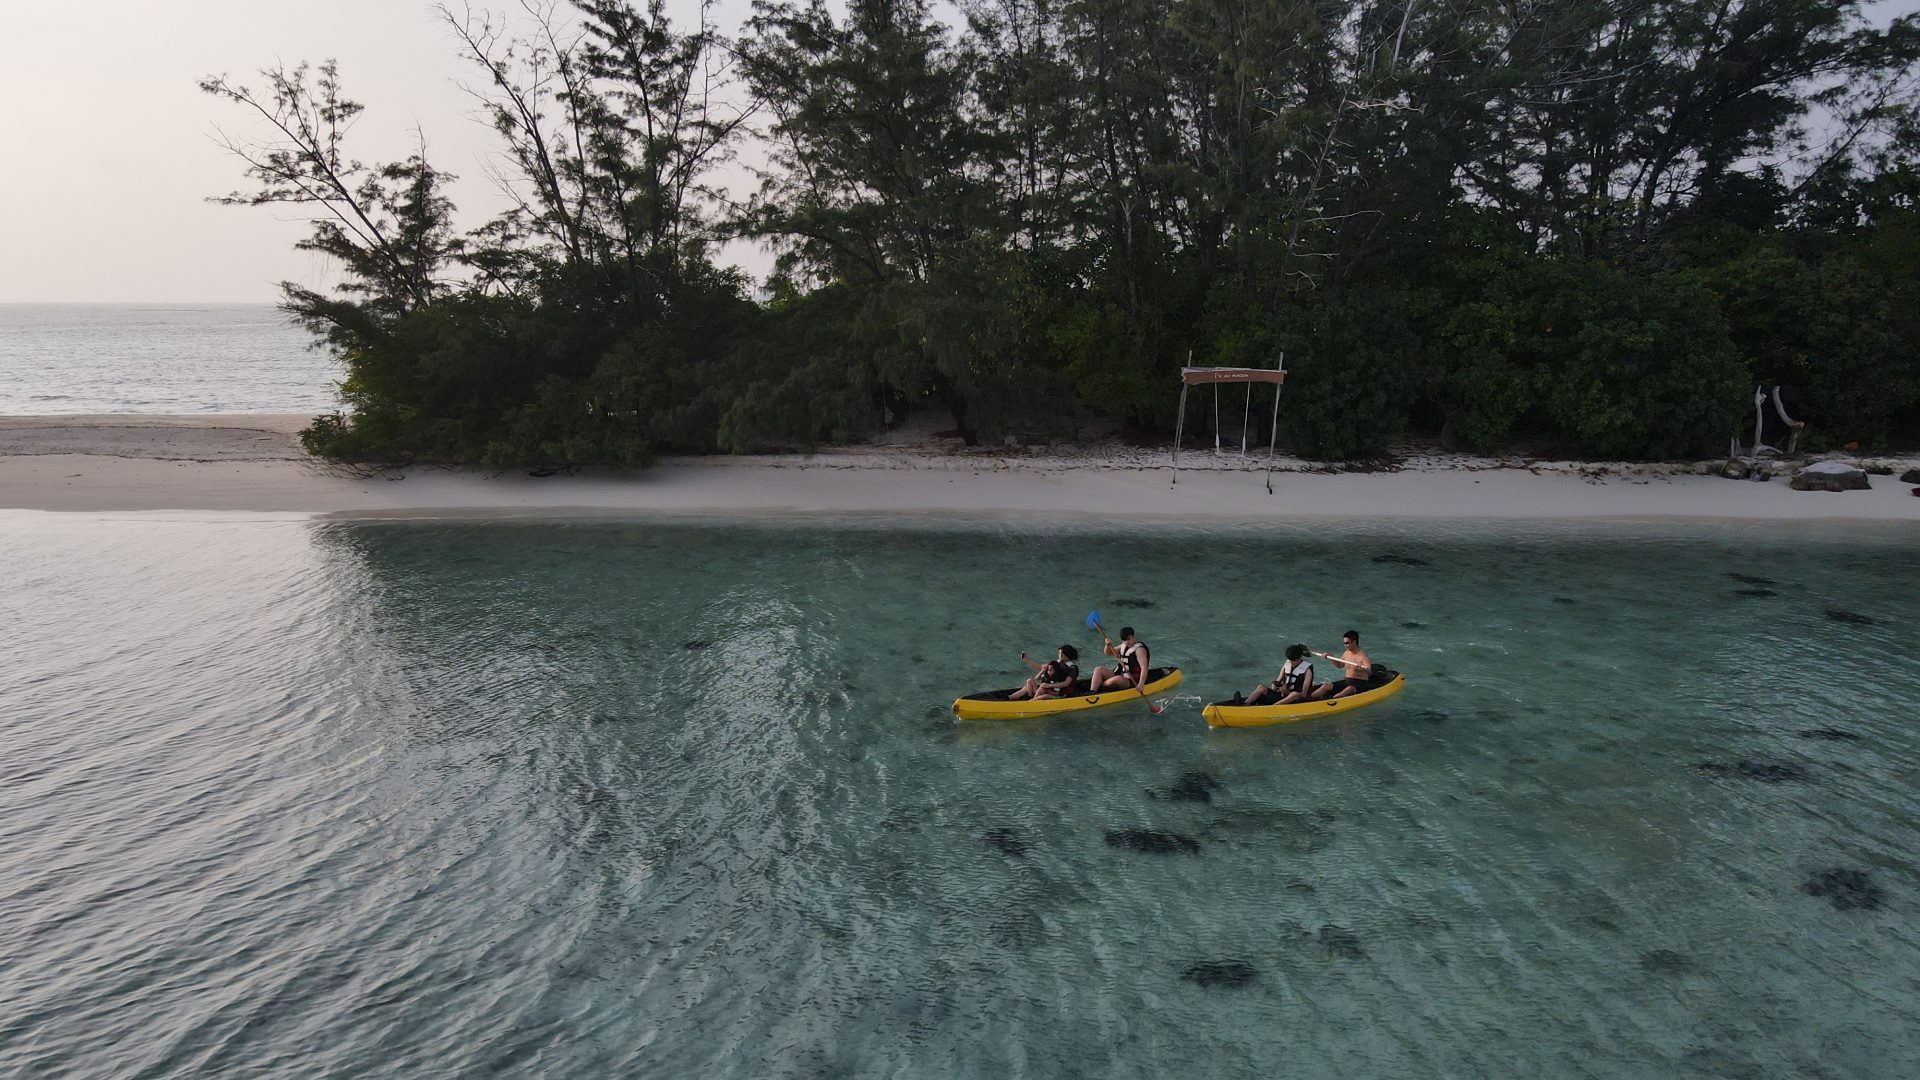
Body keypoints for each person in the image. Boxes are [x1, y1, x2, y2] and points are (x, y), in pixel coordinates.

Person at [1244, 644, 1315, 706]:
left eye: (1292, 661)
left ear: (1298, 659)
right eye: (1289, 660)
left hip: (1295, 699)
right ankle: (1245, 704)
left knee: (1294, 694)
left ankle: (1273, 707)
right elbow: (1278, 681)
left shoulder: (1307, 670)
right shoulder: (1288, 663)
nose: (1290, 663)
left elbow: (1304, 695)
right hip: (1282, 695)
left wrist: (1287, 692)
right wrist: (1275, 686)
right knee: (1261, 687)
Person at [1310, 630, 1373, 699]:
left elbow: (1369, 672)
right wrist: (1331, 657)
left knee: (1348, 689)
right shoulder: (1346, 653)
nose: (1345, 645)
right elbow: (1340, 665)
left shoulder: (1363, 656)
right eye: (1344, 643)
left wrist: (1363, 668)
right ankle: (1310, 699)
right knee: (1326, 686)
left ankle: (1334, 699)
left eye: (1347, 643)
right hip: (1347, 681)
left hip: (1360, 683)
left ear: (1354, 642)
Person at [1088, 626, 1149, 693]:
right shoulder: (1123, 646)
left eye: (1129, 639)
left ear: (1134, 636)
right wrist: (1107, 645)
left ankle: (1100, 686)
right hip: (1121, 674)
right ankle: (1092, 691)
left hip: (1132, 681)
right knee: (1098, 669)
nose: (1127, 642)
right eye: (1124, 640)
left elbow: (1144, 667)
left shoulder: (1139, 650)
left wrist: (1141, 683)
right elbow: (1108, 653)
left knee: (1117, 679)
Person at [1010, 645, 1079, 700]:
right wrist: (1027, 660)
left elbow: (1066, 683)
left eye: (1061, 654)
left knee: (1042, 691)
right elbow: (1042, 668)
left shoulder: (1072, 668)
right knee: (1027, 687)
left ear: (1066, 655)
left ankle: (1030, 703)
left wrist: (1048, 685)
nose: (1059, 655)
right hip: (1050, 689)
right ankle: (1010, 698)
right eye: (1059, 653)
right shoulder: (1057, 663)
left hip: (1062, 694)